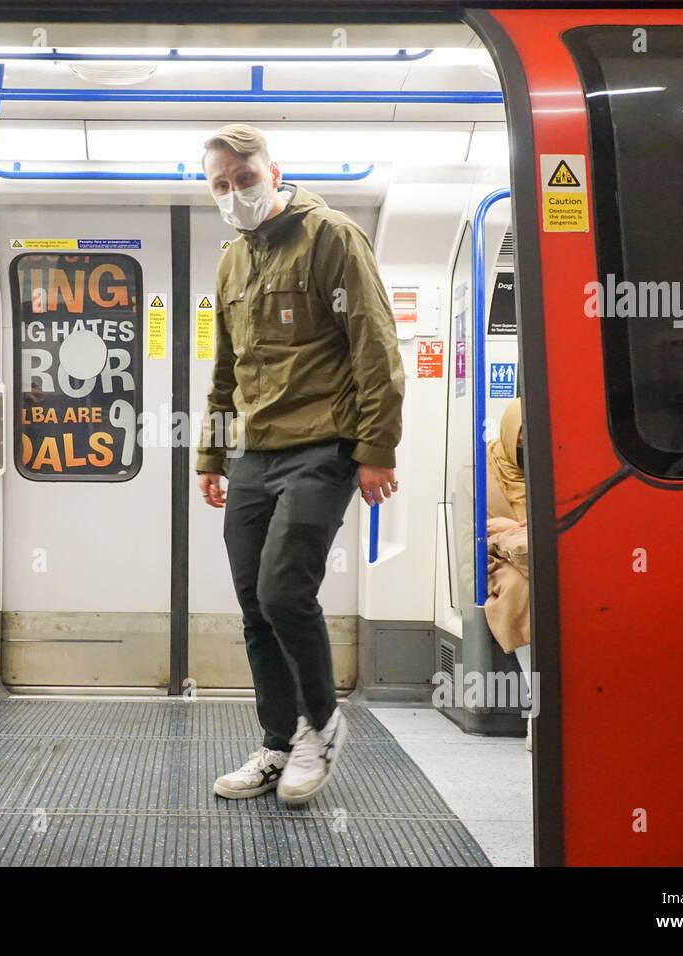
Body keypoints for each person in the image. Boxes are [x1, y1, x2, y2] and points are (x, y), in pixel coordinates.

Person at [196, 124, 406, 805]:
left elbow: (376, 347)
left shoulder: (333, 237)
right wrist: (212, 454)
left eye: (244, 177)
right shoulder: (231, 261)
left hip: (324, 445)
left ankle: (323, 725)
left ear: (273, 170)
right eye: (220, 185)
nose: (234, 192)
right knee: (256, 606)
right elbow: (225, 370)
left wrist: (376, 449)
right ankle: (278, 742)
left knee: (286, 590)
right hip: (254, 452)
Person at [484, 398, 532, 750]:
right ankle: (537, 705)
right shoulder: (485, 468)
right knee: (520, 591)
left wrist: (516, 523)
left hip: (540, 553)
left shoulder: (553, 464)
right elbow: (478, 531)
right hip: (501, 561)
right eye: (519, 441)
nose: (524, 448)